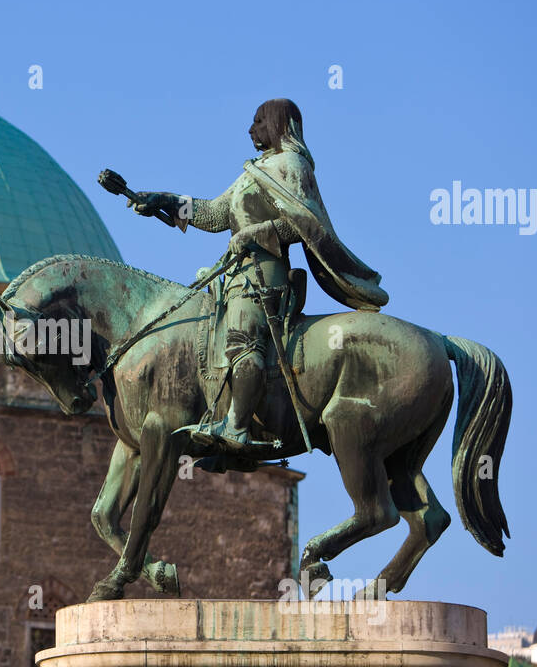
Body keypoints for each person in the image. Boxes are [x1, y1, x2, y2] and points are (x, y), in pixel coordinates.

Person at [129, 98, 388, 447]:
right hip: (235, 273)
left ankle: (236, 427)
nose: (251, 130)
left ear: (278, 124)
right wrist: (164, 199)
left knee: (243, 340)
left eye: (258, 122)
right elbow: (214, 214)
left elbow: (304, 226)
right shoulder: (253, 171)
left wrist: (254, 233)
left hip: (265, 276)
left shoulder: (292, 165)